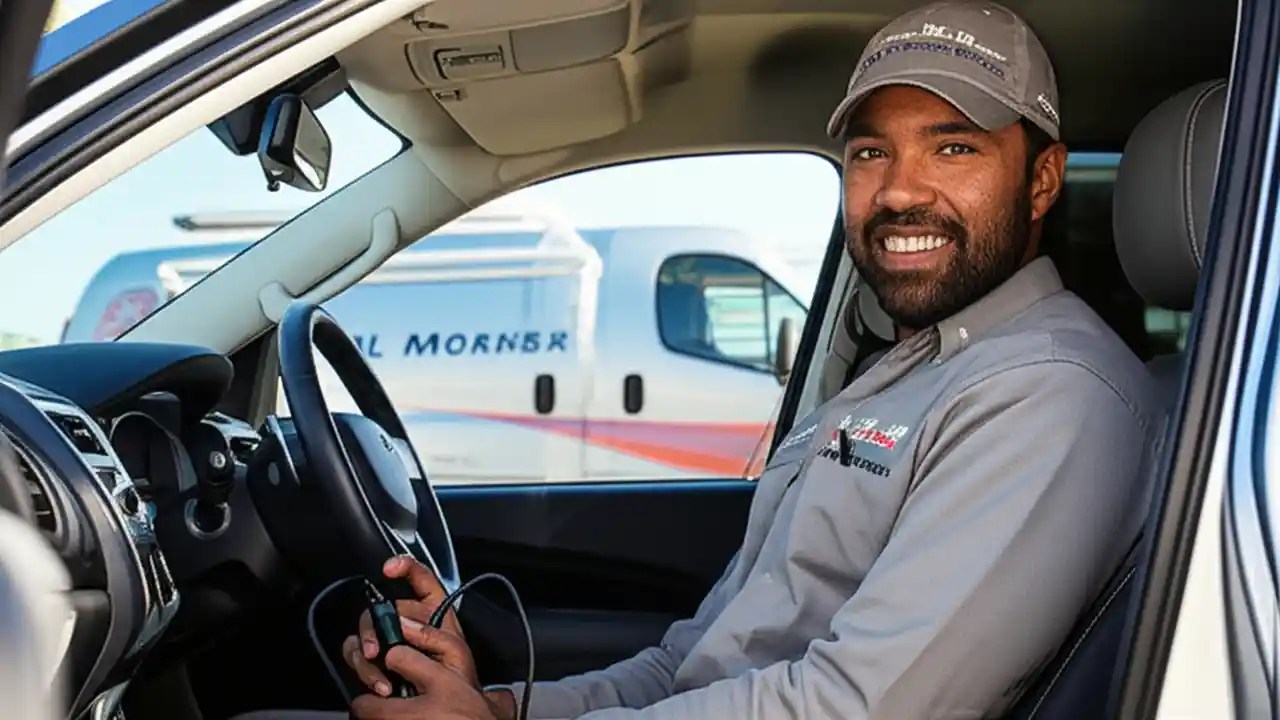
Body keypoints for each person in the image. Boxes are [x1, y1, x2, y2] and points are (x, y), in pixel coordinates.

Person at [247, 1, 1161, 718]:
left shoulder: (1049, 394)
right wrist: (499, 706)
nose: (900, 191)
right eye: (871, 152)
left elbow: (860, 709)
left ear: (1041, 180)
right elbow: (693, 660)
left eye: (953, 147)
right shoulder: (912, 369)